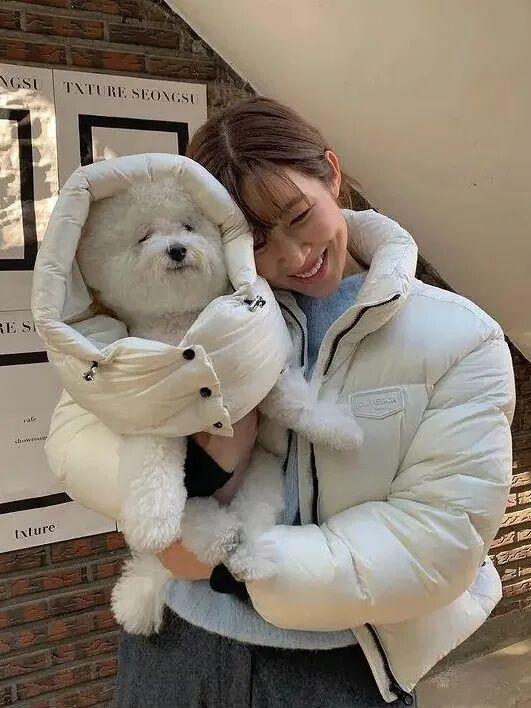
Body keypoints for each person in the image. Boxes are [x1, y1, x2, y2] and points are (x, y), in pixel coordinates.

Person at [114, 95, 515, 706]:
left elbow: (437, 538)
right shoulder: (195, 316)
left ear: (331, 173)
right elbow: (99, 436)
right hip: (171, 645)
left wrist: (227, 563)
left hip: (337, 664)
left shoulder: (461, 337)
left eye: (299, 216)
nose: (293, 256)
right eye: (255, 240)